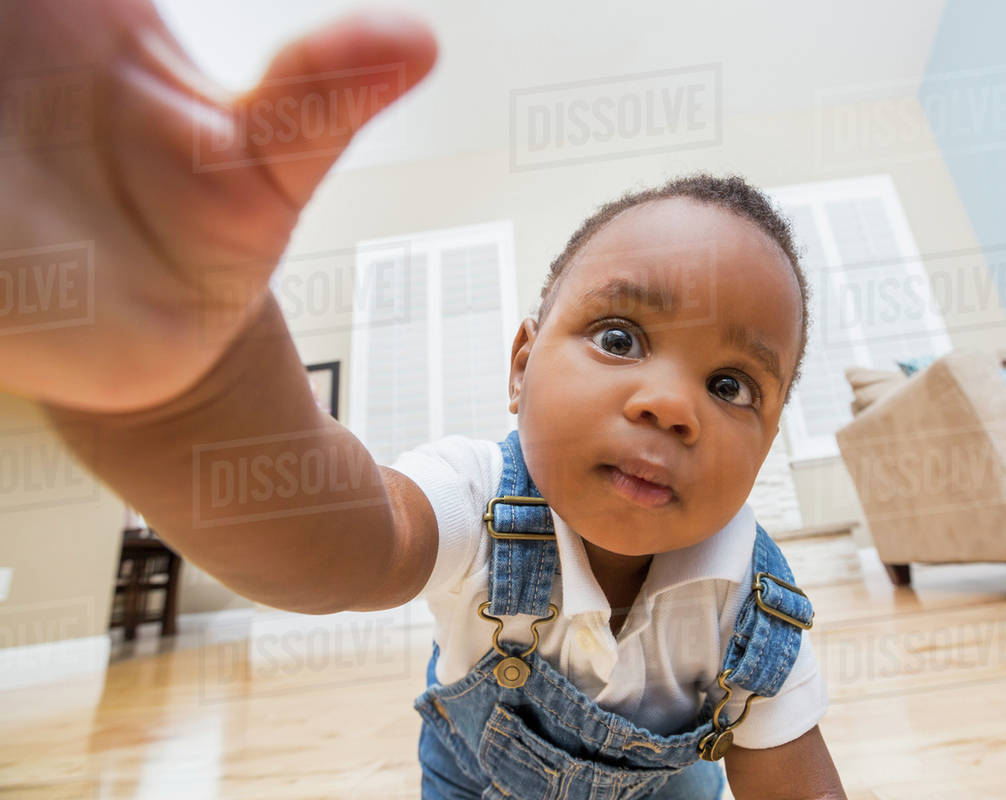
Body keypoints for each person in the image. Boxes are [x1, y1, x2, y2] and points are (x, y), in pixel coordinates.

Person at [2, 2, 846, 797]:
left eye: (730, 385)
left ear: (768, 441)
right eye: (620, 338)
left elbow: (793, 778)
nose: (670, 405)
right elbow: (342, 543)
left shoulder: (753, 607)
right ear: (521, 369)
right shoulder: (479, 496)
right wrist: (190, 391)